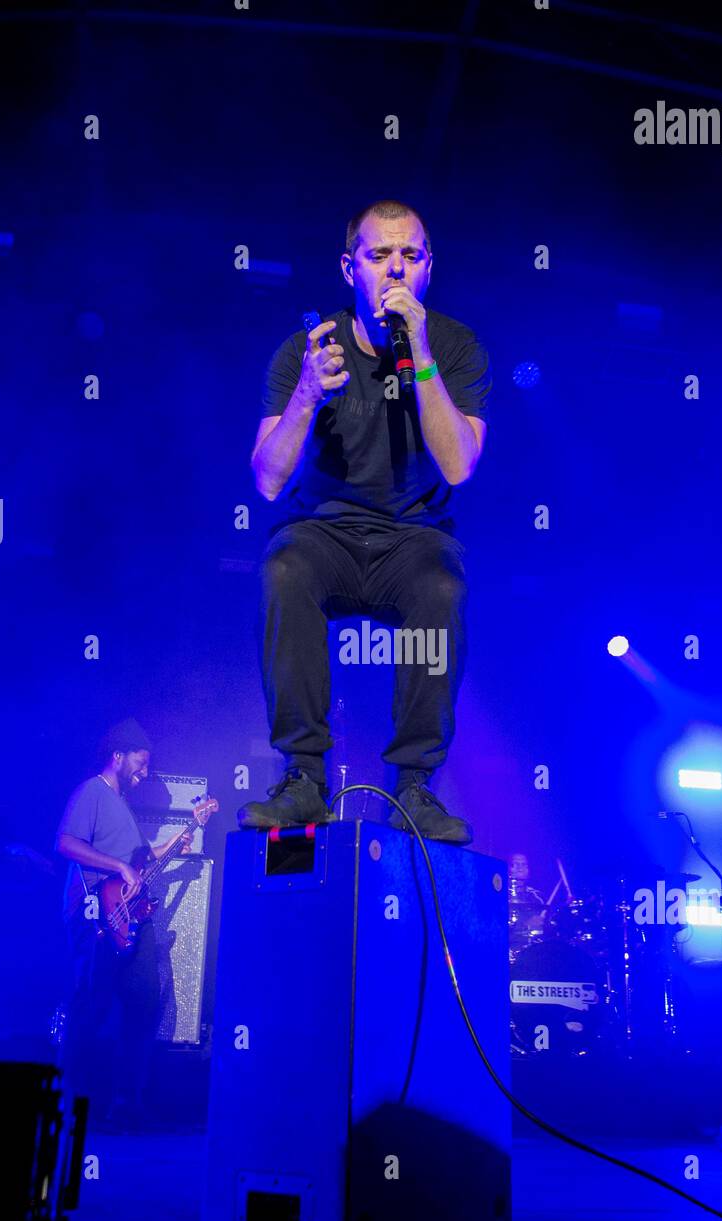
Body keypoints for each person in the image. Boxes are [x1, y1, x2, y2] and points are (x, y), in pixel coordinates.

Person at [238, 198, 491, 844]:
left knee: (441, 586)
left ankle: (412, 785)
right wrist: (304, 396)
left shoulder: (455, 348)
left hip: (413, 540)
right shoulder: (309, 349)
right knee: (284, 567)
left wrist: (421, 352)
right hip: (325, 535)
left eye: (410, 255)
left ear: (429, 267)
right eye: (379, 256)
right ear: (350, 267)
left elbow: (459, 465)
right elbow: (266, 480)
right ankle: (303, 778)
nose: (395, 270)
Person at [54, 718, 189, 1132]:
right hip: (96, 913)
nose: (144, 772)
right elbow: (65, 843)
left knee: (146, 1000)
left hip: (129, 918)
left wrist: (181, 837)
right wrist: (116, 866)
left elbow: (141, 861)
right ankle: (65, 1100)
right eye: (141, 763)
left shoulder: (123, 808)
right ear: (119, 756)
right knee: (90, 1005)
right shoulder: (92, 791)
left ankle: (126, 1101)